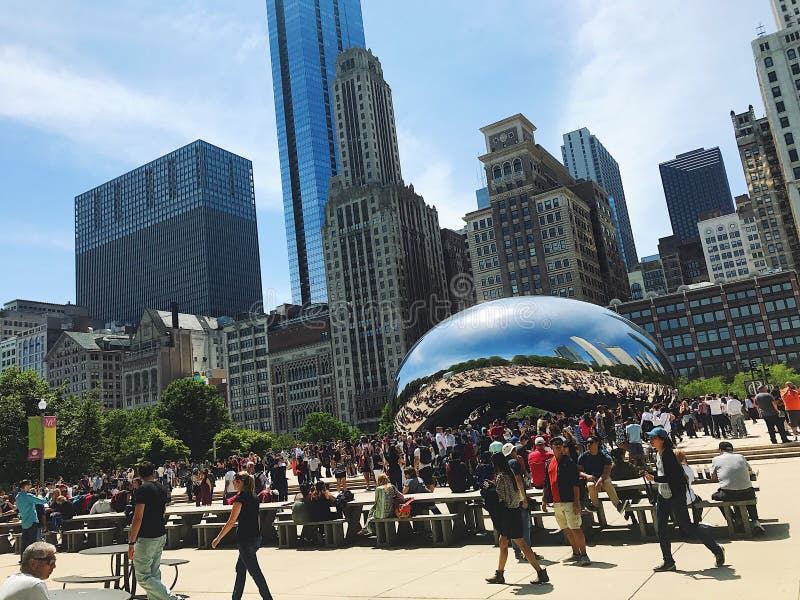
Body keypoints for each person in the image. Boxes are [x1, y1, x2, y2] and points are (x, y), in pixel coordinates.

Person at [643, 427, 725, 572]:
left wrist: (654, 478)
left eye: (653, 438)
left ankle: (716, 549)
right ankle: (668, 561)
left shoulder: (668, 455)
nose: (651, 440)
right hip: (663, 494)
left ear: (662, 440)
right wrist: (651, 474)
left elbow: (673, 478)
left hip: (675, 495)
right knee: (661, 529)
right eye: (650, 438)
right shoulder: (658, 454)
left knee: (687, 526)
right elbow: (662, 472)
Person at [484, 453, 549, 585]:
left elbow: (500, 497)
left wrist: (490, 488)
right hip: (514, 511)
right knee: (503, 542)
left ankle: (540, 572)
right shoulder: (511, 473)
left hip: (507, 514)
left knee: (521, 544)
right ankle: (500, 573)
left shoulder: (501, 476)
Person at [211, 472, 273, 600]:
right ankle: (236, 597)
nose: (233, 483)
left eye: (236, 481)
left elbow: (231, 521)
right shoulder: (254, 496)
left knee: (256, 573)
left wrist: (218, 538)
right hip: (255, 538)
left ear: (242, 483)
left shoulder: (240, 500)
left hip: (245, 541)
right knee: (240, 568)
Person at [127, 461, 179, 600]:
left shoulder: (142, 490)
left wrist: (131, 542)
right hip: (160, 533)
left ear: (139, 473)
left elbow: (138, 517)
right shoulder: (162, 487)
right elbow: (163, 511)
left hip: (146, 536)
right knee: (154, 574)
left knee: (143, 577)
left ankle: (172, 598)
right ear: (153, 471)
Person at [541, 436, 590, 565]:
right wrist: (544, 499)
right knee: (566, 528)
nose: (558, 446)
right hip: (556, 502)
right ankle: (576, 553)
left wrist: (577, 502)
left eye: (560, 444)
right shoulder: (548, 463)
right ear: (551, 447)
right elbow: (546, 482)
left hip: (569, 501)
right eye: (555, 444)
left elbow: (575, 483)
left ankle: (584, 555)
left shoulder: (569, 462)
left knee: (575, 527)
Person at [710, 441, 765, 536]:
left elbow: (713, 478)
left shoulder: (716, 459)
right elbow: (750, 470)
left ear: (720, 450)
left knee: (715, 497)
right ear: (732, 450)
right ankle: (755, 521)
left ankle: (734, 519)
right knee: (748, 491)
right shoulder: (741, 457)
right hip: (747, 493)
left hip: (728, 494)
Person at [577, 437, 628, 514]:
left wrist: (600, 481)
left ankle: (618, 505)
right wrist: (587, 476)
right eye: (587, 443)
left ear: (597, 443)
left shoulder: (605, 456)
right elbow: (578, 471)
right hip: (591, 479)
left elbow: (607, 473)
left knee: (607, 482)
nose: (588, 444)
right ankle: (595, 506)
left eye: (591, 442)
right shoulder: (583, 457)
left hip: (604, 478)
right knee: (590, 485)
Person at [14, 481, 48, 558]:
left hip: (24, 522)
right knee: (32, 542)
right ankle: (30, 559)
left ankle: (23, 559)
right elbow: (43, 501)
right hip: (32, 521)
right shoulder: (28, 496)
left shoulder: (18, 496)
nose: (30, 486)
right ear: (25, 486)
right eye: (29, 485)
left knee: (24, 542)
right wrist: (48, 493)